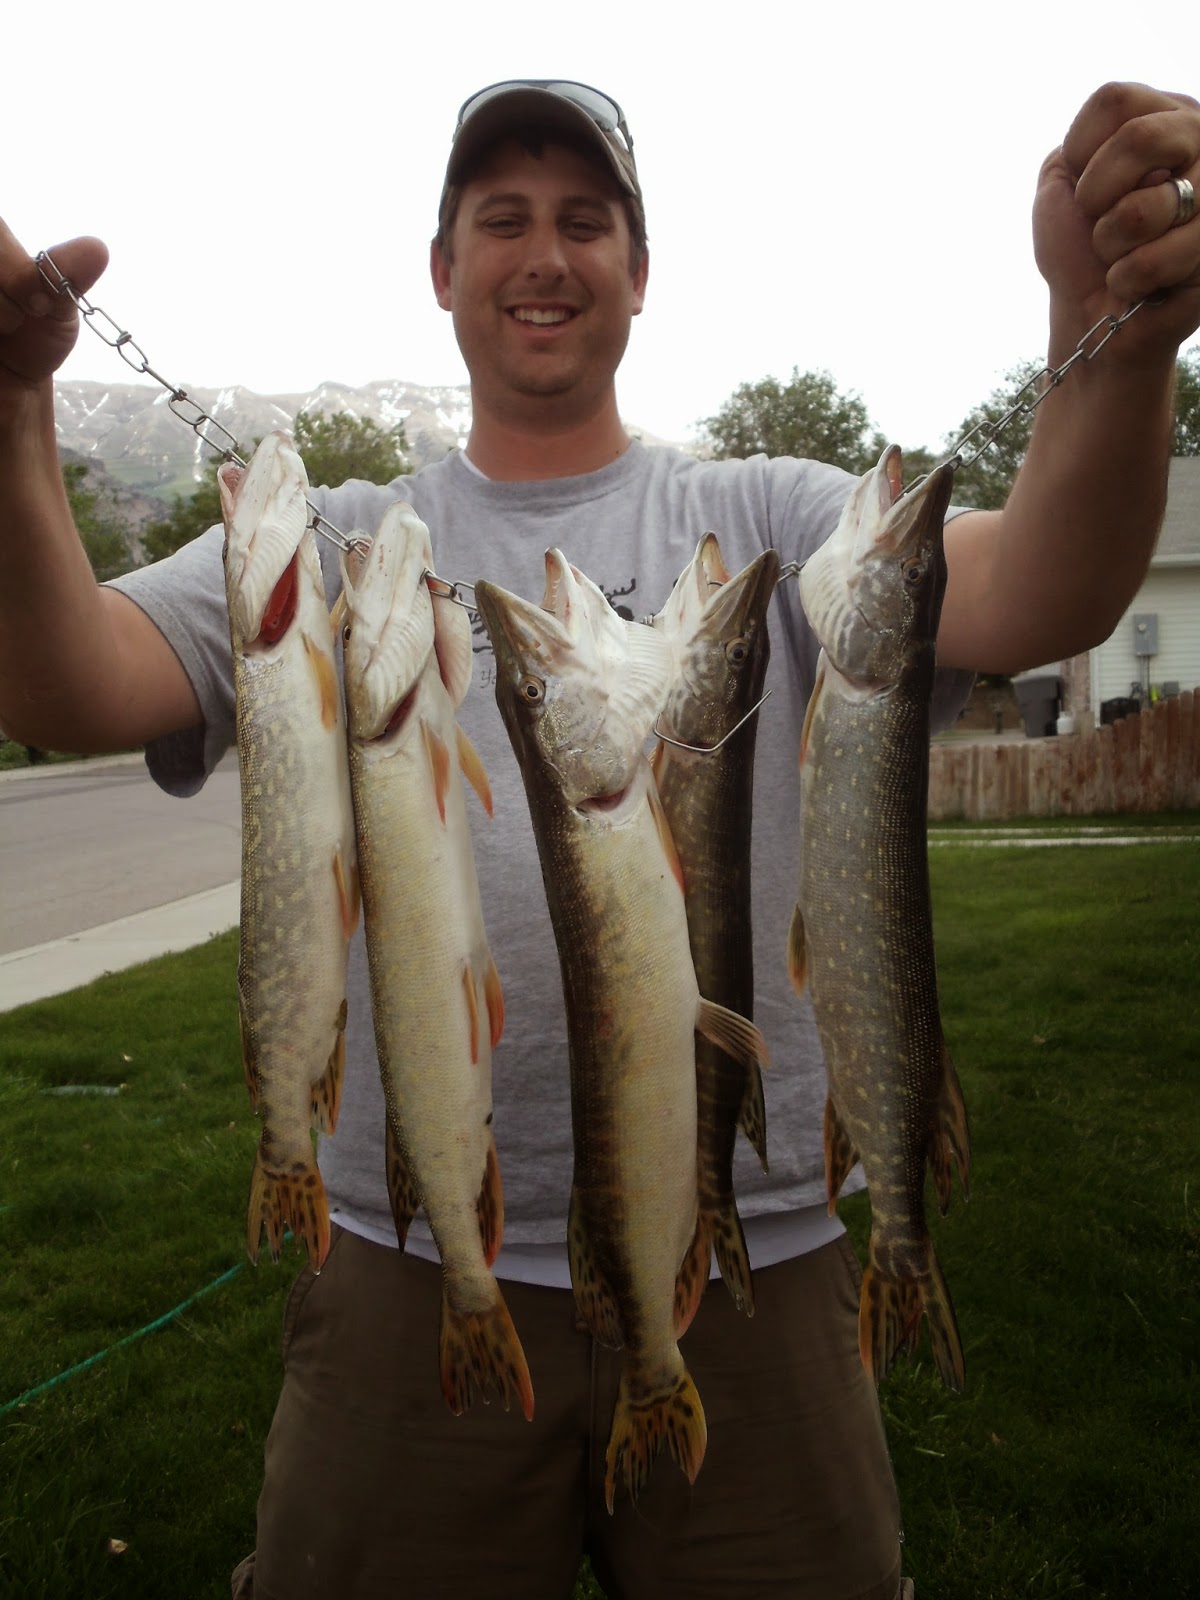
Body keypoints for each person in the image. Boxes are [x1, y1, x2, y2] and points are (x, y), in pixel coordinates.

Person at [2, 77, 1198, 1600]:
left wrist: (1116, 331)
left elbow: (1046, 587)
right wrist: (12, 407)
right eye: (501, 220)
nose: (544, 254)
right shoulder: (341, 542)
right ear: (443, 269)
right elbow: (60, 678)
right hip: (407, 1253)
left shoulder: (766, 510)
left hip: (757, 1261)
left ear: (642, 268)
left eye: (587, 221)